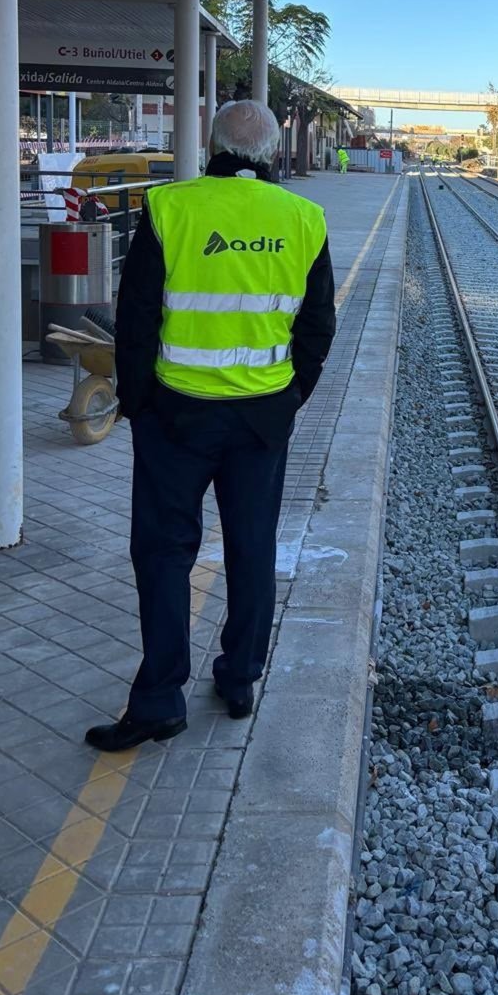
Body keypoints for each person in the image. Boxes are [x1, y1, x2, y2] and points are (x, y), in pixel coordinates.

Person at [86, 100, 335, 752]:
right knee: (252, 548)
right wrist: (290, 396)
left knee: (165, 554)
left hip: (176, 417)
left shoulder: (171, 208)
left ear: (211, 146)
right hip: (261, 420)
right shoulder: (304, 218)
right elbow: (317, 325)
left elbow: (135, 315)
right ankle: (241, 676)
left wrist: (137, 405)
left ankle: (159, 699)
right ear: (273, 152)